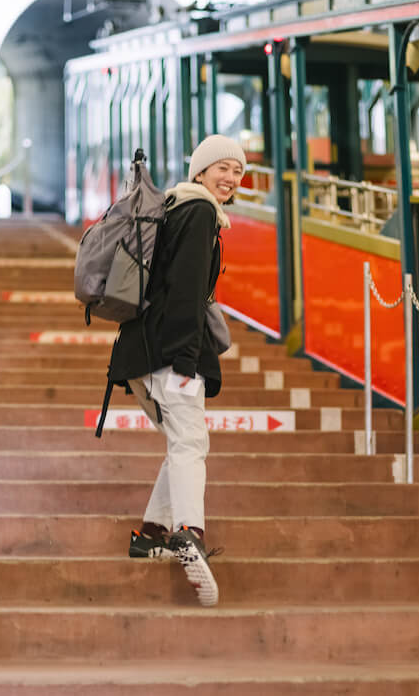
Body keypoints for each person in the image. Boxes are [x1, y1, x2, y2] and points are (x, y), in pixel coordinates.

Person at [106, 134, 245, 607]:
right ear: (200, 171)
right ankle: (189, 533)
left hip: (146, 347)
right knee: (189, 442)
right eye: (222, 168)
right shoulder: (200, 211)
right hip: (169, 351)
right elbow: (186, 292)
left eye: (237, 172)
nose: (230, 178)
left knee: (186, 441)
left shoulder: (178, 206)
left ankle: (151, 535)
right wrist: (186, 361)